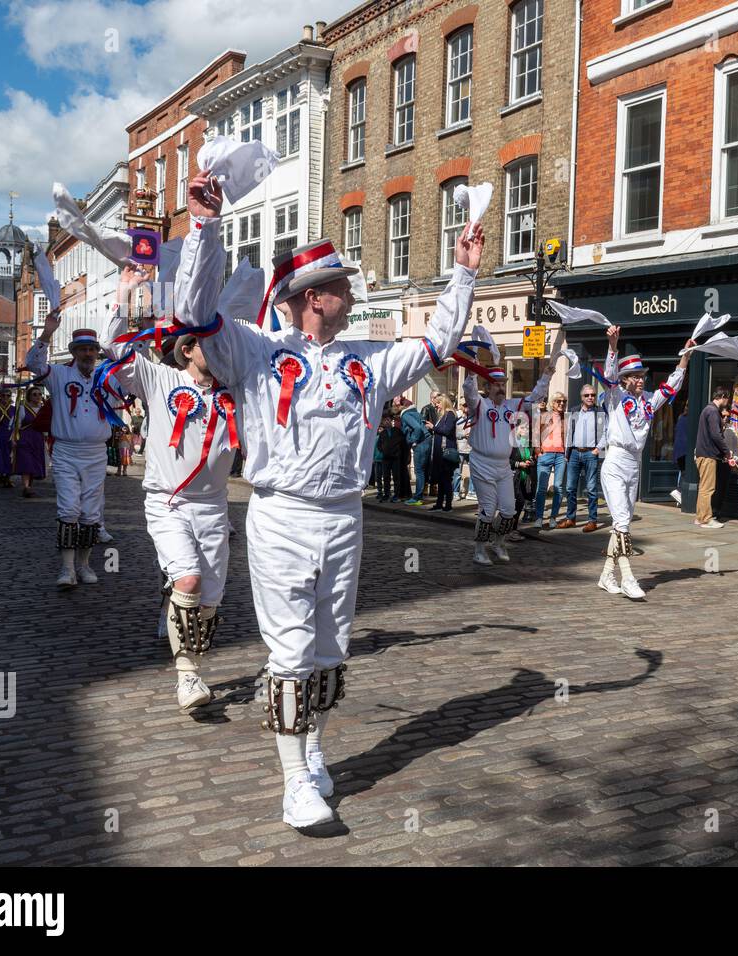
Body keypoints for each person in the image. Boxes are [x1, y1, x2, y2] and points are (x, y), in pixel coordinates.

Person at [172, 167, 483, 827]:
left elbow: (438, 344)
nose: (352, 291)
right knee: (289, 652)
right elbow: (193, 312)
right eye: (343, 284)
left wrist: (464, 273)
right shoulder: (253, 350)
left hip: (344, 517)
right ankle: (292, 784)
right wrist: (204, 226)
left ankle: (311, 747)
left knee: (328, 650)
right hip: (280, 516)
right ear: (315, 297)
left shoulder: (365, 360)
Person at [106, 263, 242, 713]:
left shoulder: (234, 393)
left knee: (209, 599)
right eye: (208, 343)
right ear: (187, 349)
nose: (218, 349)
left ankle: (192, 659)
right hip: (168, 501)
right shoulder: (160, 379)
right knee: (187, 577)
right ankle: (187, 677)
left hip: (215, 507)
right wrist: (125, 297)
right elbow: (116, 351)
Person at [596, 325, 692, 599]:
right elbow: (609, 376)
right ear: (625, 380)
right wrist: (613, 347)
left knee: (621, 523)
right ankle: (627, 577)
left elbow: (671, 386)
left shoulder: (649, 402)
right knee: (623, 522)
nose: (640, 380)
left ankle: (606, 575)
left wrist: (684, 358)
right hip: (615, 461)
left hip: (634, 464)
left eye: (642, 376)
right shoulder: (615, 397)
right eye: (635, 377)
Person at [26, 316, 113, 589]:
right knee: (69, 509)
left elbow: (133, 368)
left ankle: (85, 565)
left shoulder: (106, 377)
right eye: (82, 349)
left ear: (97, 351)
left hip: (97, 454)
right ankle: (67, 569)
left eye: (91, 349)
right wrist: (47, 332)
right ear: (73, 351)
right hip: (66, 452)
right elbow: (33, 364)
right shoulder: (59, 375)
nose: (87, 354)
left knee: (90, 514)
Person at [463, 366, 550, 564]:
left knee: (509, 510)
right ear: (487, 387)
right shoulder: (479, 404)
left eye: (503, 384)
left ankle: (498, 542)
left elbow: (535, 398)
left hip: (503, 466)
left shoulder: (511, 405)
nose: (501, 388)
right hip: (482, 463)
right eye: (496, 384)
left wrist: (547, 375)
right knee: (487, 508)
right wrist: (471, 373)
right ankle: (479, 550)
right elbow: (469, 392)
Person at [558, 384, 606, 531]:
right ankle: (570, 518)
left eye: (592, 395)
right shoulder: (573, 411)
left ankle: (592, 520)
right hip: (573, 453)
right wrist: (567, 453)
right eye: (587, 395)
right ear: (581, 397)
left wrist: (598, 449)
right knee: (570, 488)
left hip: (590, 453)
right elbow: (568, 433)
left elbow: (607, 432)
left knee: (591, 488)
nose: (590, 397)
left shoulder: (600, 412)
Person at [694, 387, 737, 529]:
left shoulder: (708, 410)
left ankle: (700, 517)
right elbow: (716, 435)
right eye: (727, 398)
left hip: (703, 454)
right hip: (708, 455)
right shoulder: (712, 411)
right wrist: (727, 452)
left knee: (703, 488)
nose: (728, 402)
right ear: (723, 396)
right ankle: (706, 519)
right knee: (708, 489)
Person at [534, 392, 568, 529]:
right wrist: (538, 451)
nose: (561, 403)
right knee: (541, 488)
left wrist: (567, 453)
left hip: (561, 455)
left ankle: (553, 517)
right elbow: (536, 433)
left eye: (564, 401)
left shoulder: (567, 418)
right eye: (558, 401)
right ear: (552, 403)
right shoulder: (544, 416)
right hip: (545, 454)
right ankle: (539, 517)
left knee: (559, 488)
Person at [14, 386, 48, 498]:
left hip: (38, 439)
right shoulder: (23, 409)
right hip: (25, 437)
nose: (38, 396)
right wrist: (14, 438)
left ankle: (29, 486)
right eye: (34, 394)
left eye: (39, 394)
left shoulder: (44, 409)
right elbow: (16, 424)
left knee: (34, 463)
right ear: (29, 396)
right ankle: (26, 487)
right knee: (26, 462)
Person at [428, 392, 457, 511]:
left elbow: (447, 430)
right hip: (440, 452)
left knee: (446, 479)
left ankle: (448, 505)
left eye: (438, 403)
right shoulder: (442, 415)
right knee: (440, 479)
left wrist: (433, 427)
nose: (437, 406)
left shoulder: (450, 414)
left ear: (444, 403)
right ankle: (439, 503)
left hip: (446, 451)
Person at [401, 395, 431, 505]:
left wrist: (413, 441)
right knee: (422, 470)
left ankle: (417, 498)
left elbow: (417, 428)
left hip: (421, 443)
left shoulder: (406, 415)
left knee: (419, 471)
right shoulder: (414, 413)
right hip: (425, 441)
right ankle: (419, 496)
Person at [510, 417, 536, 541]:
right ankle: (510, 530)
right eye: (522, 427)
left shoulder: (528, 443)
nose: (525, 430)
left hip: (524, 477)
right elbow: (506, 460)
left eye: (527, 428)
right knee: (517, 502)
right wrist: (519, 464)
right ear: (516, 429)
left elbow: (532, 457)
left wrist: (531, 462)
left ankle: (510, 529)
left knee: (519, 504)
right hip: (512, 477)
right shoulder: (512, 443)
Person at [375, 413, 405, 501]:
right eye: (385, 421)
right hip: (386, 458)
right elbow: (379, 445)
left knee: (396, 477)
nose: (387, 422)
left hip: (395, 458)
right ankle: (386, 494)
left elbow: (402, 443)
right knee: (386, 477)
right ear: (383, 423)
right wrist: (384, 451)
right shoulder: (382, 433)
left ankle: (396, 495)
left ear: (391, 422)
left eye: (388, 420)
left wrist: (398, 452)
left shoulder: (397, 430)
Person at [454, 399, 474, 500]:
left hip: (471, 448)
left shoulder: (474, 417)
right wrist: (463, 435)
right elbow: (453, 433)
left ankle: (471, 491)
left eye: (468, 405)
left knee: (473, 470)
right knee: (457, 471)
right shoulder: (457, 417)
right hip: (460, 447)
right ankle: (455, 492)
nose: (467, 408)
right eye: (464, 405)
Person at [671, 401, 690, 505]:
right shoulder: (690, 419)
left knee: (683, 473)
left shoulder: (681, 417)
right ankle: (679, 491)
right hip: (685, 450)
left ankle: (680, 498)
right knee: (686, 473)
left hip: (679, 451)